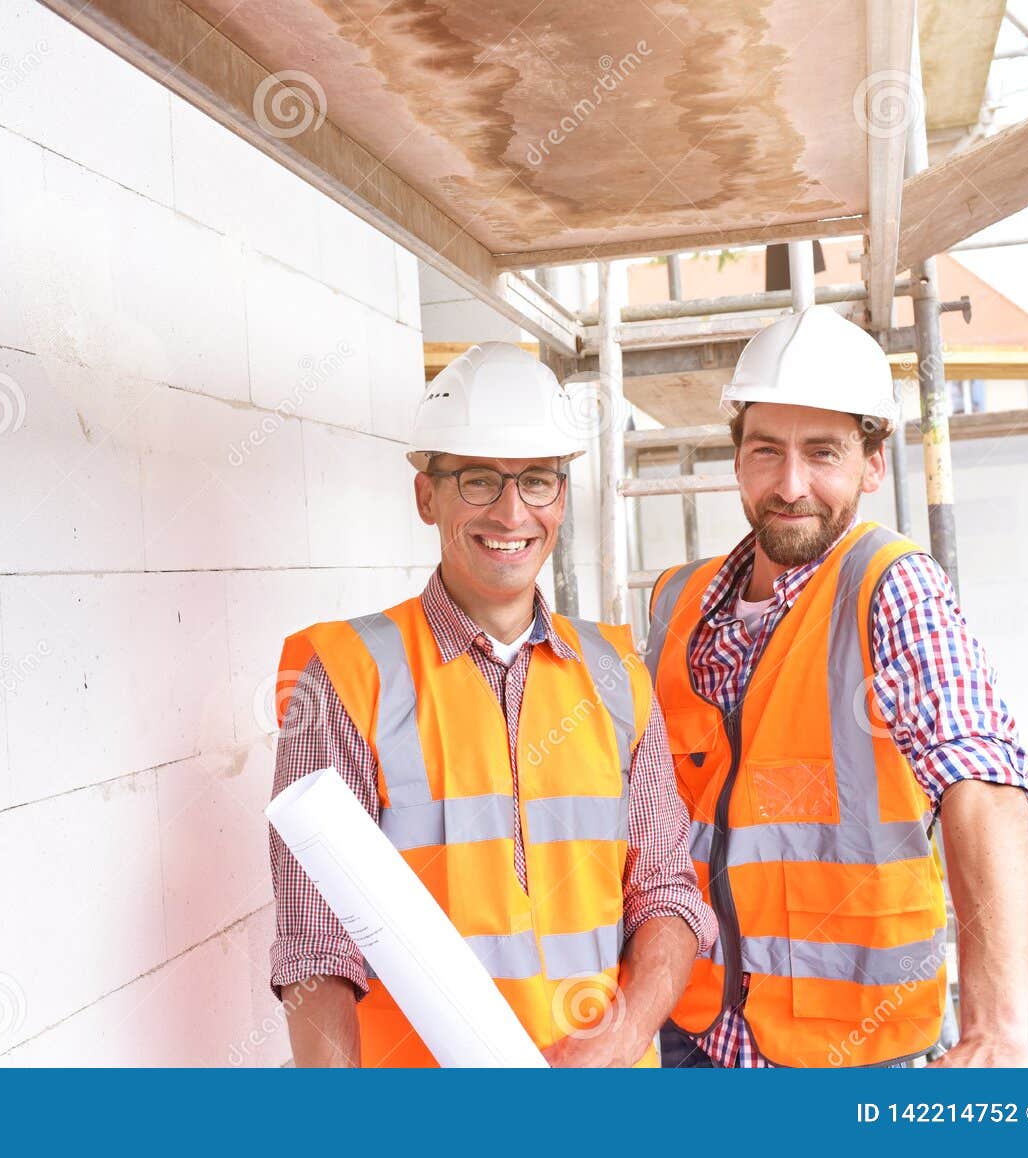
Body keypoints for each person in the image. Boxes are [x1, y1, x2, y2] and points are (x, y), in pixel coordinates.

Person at [268, 341, 714, 1067]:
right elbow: (315, 944)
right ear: (426, 496)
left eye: (537, 480)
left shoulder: (618, 677)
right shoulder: (346, 676)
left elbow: (665, 894)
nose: (512, 511)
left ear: (562, 497)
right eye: (479, 480)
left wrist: (623, 1036)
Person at [646, 307, 1028, 1068]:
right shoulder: (675, 600)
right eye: (767, 452)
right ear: (737, 459)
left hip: (848, 1054)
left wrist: (997, 1027)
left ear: (873, 463)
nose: (791, 486)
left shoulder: (890, 588)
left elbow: (981, 780)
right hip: (691, 1029)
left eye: (822, 453)